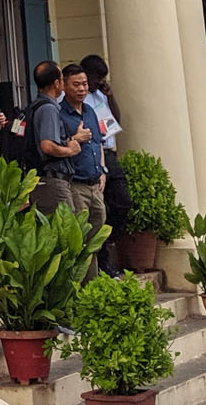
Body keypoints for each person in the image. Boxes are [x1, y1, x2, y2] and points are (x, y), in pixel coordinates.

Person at [55, 62, 109, 278]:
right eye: (76, 84)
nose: (82, 89)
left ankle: (93, 280)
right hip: (75, 183)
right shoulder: (59, 113)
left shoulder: (90, 111)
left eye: (84, 84)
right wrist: (75, 138)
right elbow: (52, 145)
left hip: (95, 184)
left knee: (96, 237)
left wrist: (103, 169)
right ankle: (85, 282)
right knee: (80, 237)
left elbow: (98, 143)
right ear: (64, 86)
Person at [80, 54, 131, 273]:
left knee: (122, 201)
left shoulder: (100, 95)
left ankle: (109, 240)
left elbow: (115, 120)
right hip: (92, 153)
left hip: (109, 152)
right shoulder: (80, 97)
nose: (99, 82)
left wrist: (110, 97)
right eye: (97, 78)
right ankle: (102, 260)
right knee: (99, 208)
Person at [27, 61, 78, 218]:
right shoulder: (49, 109)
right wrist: (70, 150)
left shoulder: (35, 106)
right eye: (62, 79)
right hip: (52, 181)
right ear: (56, 83)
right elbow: (47, 145)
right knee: (64, 225)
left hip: (42, 180)